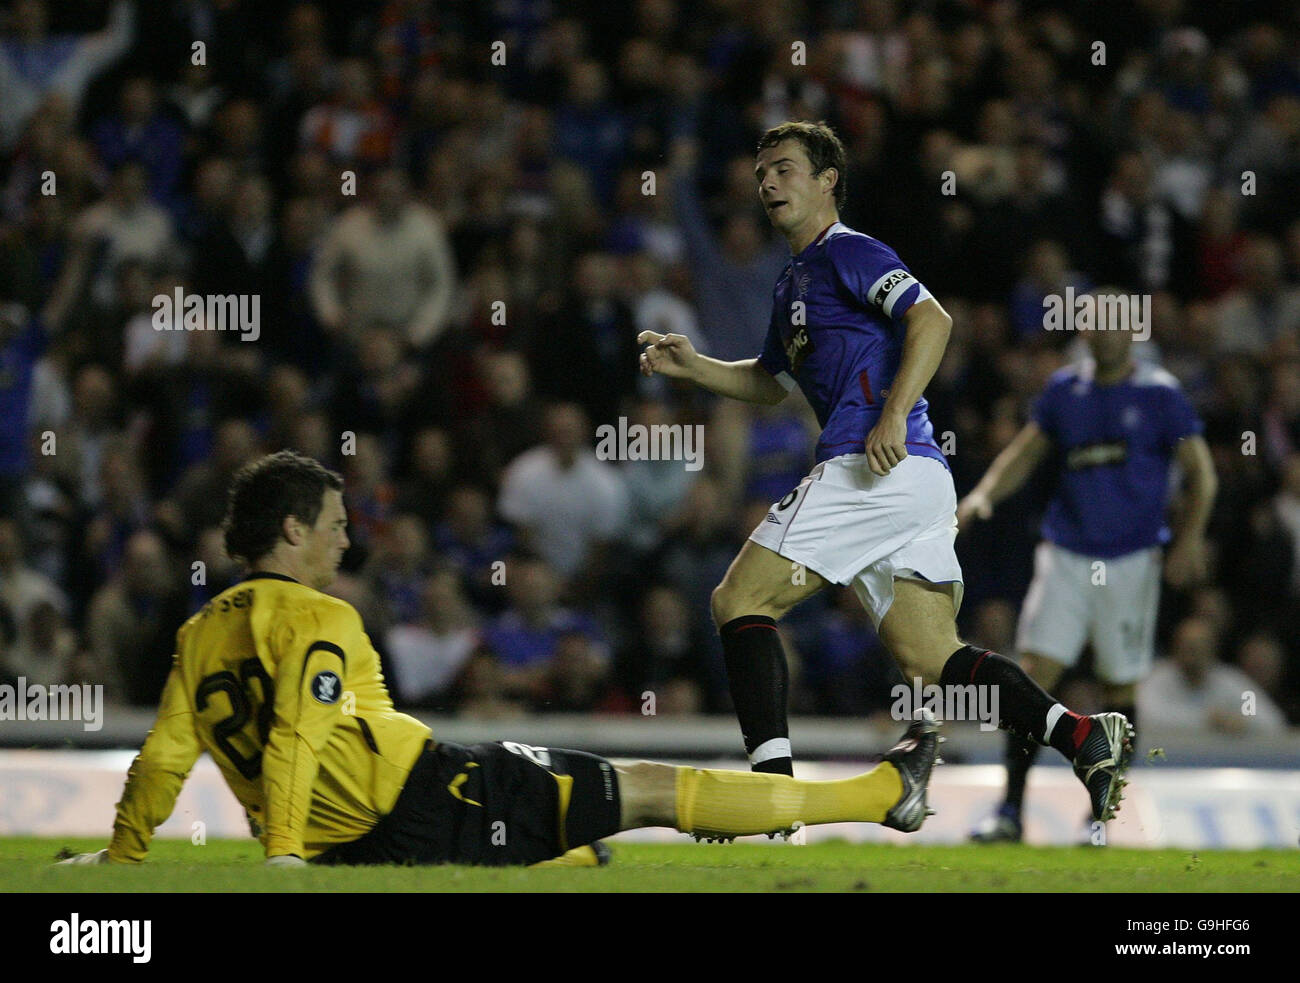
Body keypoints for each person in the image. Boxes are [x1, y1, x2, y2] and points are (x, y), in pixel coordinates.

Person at [58, 450, 939, 868]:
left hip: (357, 849)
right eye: (333, 523)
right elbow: (298, 732)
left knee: (561, 841)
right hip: (434, 793)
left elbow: (168, 751)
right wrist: (282, 854)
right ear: (292, 530)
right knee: (652, 789)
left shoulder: (199, 629)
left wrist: (123, 854)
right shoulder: (318, 615)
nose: (345, 535)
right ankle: (881, 793)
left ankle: (565, 859)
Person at [637, 120, 1133, 824]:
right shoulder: (793, 282)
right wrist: (696, 366)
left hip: (874, 464)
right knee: (933, 657)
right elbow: (769, 382)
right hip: (915, 480)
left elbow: (933, 319)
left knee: (737, 600)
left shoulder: (851, 251)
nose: (768, 183)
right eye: (761, 174)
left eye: (784, 168)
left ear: (827, 179)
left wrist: (893, 410)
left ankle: (772, 802)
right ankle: (1079, 733)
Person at [959, 296, 1217, 842]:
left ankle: (1100, 820)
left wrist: (1189, 540)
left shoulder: (1160, 396)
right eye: (1093, 323)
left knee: (1118, 687)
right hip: (1067, 555)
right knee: (1032, 676)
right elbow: (1024, 454)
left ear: (1131, 333)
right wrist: (982, 494)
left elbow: (1202, 474)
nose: (1102, 334)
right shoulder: (1063, 392)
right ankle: (1009, 812)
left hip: (1132, 560)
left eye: (1113, 324)